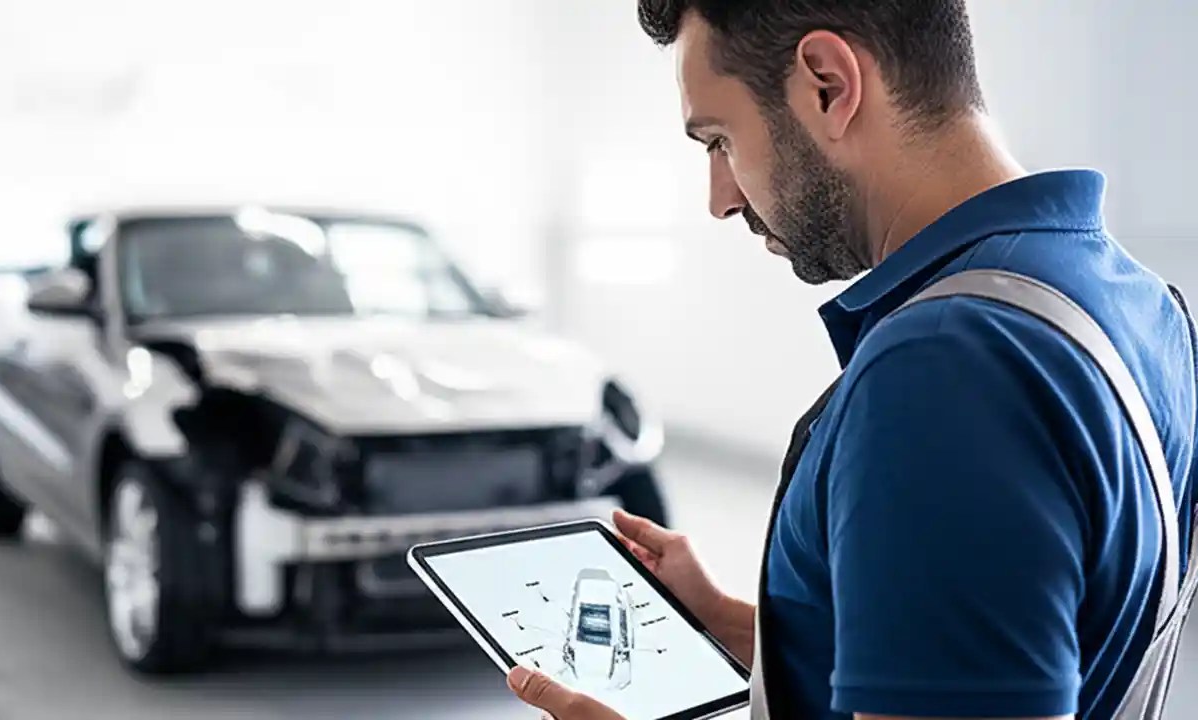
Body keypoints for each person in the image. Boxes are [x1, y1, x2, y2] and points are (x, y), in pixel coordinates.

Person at [506, 1, 1198, 719]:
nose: (720, 197)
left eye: (718, 140)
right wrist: (727, 618)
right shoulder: (1141, 306)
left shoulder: (945, 371)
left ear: (828, 85)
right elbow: (976, 657)